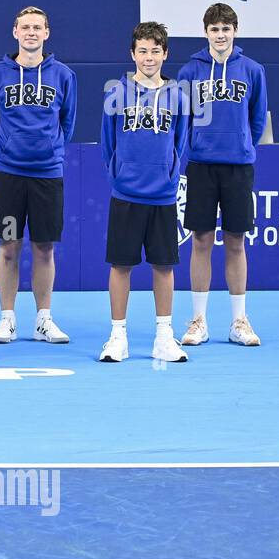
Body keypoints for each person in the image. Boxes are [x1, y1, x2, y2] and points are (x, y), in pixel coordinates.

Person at [0, 6, 78, 344]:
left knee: (44, 247)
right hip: (9, 177)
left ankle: (43, 320)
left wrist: (49, 150)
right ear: (15, 32)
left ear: (47, 33)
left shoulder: (63, 75)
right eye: (25, 27)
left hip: (47, 177)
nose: (31, 33)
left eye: (38, 27)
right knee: (8, 246)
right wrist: (8, 149)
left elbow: (67, 122)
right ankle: (7, 319)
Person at [177, 2, 268, 348]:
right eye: (214, 29)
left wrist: (243, 146)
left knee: (235, 241)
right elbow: (182, 120)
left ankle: (238, 321)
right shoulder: (190, 72)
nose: (220, 35)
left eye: (226, 29)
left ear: (235, 31)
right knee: (200, 241)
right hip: (200, 165)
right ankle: (199, 320)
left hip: (238, 166)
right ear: (206, 33)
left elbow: (257, 118)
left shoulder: (252, 70)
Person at [98, 22, 189, 363]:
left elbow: (181, 143)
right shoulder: (116, 95)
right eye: (142, 51)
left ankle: (164, 336)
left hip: (162, 196)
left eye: (155, 51)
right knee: (121, 265)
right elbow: (108, 144)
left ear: (165, 54)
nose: (148, 57)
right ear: (132, 54)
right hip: (126, 194)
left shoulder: (178, 97)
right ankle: (117, 335)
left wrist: (167, 174)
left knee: (163, 266)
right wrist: (119, 175)